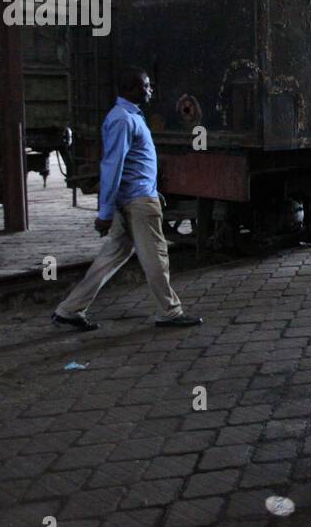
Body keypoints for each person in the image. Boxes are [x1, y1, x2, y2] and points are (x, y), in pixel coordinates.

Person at [52, 67, 202, 331]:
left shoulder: (128, 116)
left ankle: (69, 310)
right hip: (137, 202)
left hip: (132, 200)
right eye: (146, 86)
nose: (150, 90)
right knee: (156, 256)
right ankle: (170, 311)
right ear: (132, 89)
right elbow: (112, 165)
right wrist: (105, 212)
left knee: (111, 257)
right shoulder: (123, 119)